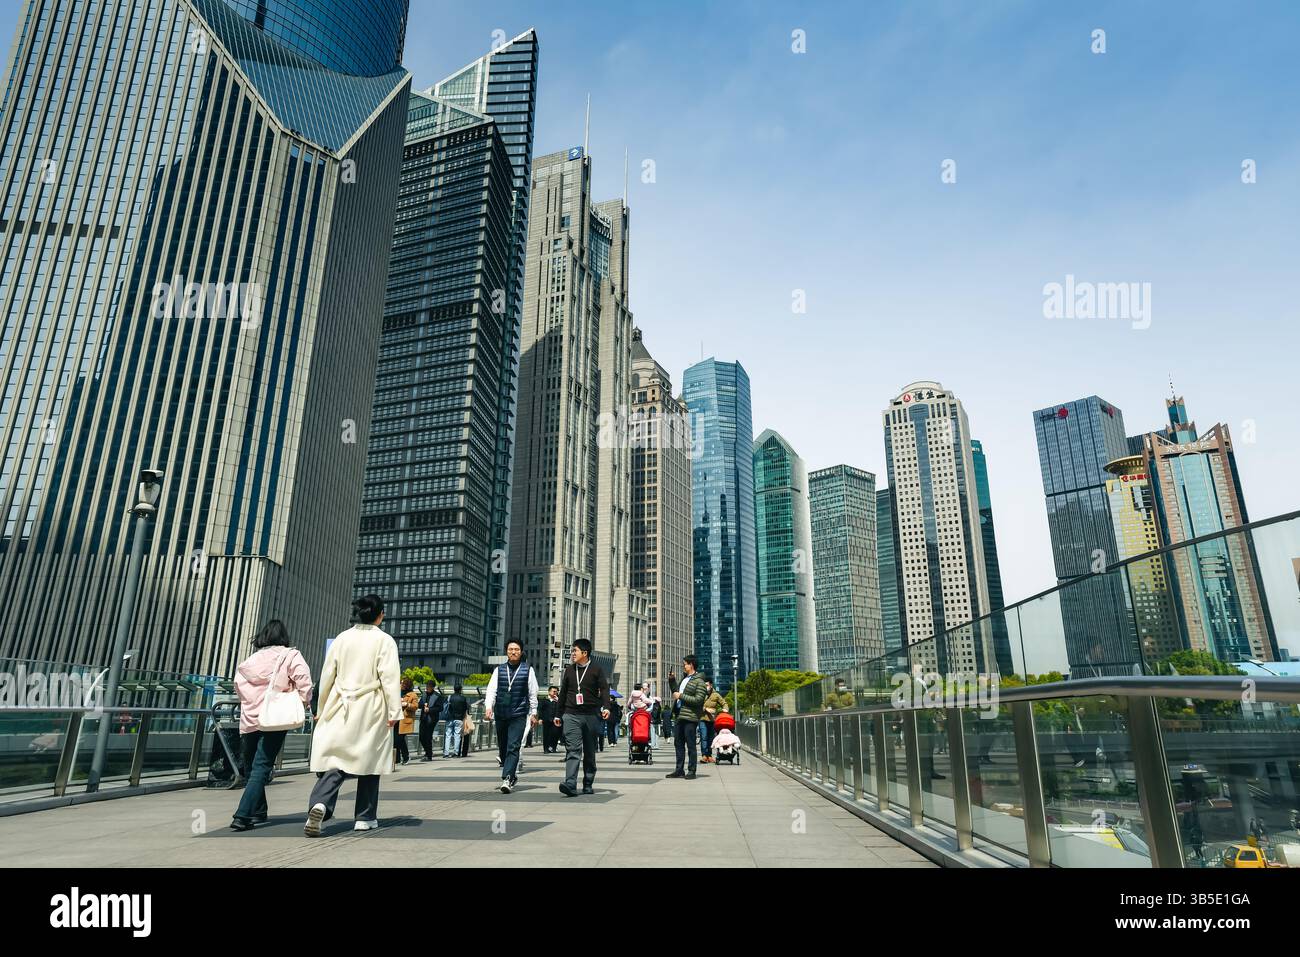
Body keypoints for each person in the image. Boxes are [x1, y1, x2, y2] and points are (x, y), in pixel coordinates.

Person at [304, 595, 401, 836]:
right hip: (371, 704)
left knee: (336, 757)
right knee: (369, 758)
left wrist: (321, 708)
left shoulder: (342, 638)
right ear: (380, 615)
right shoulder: (385, 640)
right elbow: (389, 678)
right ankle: (365, 817)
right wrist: (394, 710)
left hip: (340, 702)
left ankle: (321, 804)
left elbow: (327, 676)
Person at [230, 620, 313, 830]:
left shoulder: (250, 660)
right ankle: (243, 815)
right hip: (275, 717)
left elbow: (238, 687)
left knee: (251, 767)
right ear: (283, 636)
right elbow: (304, 680)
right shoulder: (290, 655)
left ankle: (258, 812)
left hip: (249, 718)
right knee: (262, 766)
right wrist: (301, 701)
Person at [553, 637, 610, 796]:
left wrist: (606, 707)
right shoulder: (570, 670)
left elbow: (604, 690)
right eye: (572, 651)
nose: (572, 654)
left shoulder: (596, 669)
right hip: (571, 715)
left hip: (592, 715)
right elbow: (563, 693)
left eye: (575, 651)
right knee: (573, 750)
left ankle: (588, 782)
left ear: (584, 653)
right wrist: (558, 714)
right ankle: (570, 784)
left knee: (590, 751)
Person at [484, 639, 540, 793]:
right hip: (501, 713)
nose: (513, 652)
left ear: (521, 652)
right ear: (506, 652)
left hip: (519, 714)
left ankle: (508, 778)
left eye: (516, 649)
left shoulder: (528, 670)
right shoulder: (499, 670)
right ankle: (508, 768)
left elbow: (532, 693)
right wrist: (489, 707)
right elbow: (491, 690)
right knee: (503, 747)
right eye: (510, 649)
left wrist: (533, 712)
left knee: (513, 746)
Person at [666, 655, 708, 780]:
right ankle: (679, 770)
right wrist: (672, 681)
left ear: (691, 665)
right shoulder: (685, 679)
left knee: (690, 744)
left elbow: (699, 700)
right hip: (679, 715)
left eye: (685, 664)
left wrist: (681, 696)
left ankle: (692, 770)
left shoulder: (699, 681)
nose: (683, 666)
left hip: (690, 717)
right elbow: (676, 693)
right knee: (678, 743)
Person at [699, 679, 726, 763]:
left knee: (711, 738)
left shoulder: (716, 695)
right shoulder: (701, 695)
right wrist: (706, 709)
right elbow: (697, 704)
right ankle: (704, 755)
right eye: (704, 686)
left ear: (711, 685)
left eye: (706, 685)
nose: (705, 687)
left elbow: (724, 703)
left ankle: (709, 755)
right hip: (702, 719)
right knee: (704, 737)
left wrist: (725, 709)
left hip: (712, 720)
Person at [394, 676, 418, 766]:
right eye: (401, 683)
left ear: (407, 685)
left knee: (399, 739)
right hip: (396, 718)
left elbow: (415, 706)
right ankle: (396, 759)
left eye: (403, 683)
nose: (401, 685)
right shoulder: (397, 692)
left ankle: (406, 757)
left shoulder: (413, 695)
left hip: (405, 719)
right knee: (395, 740)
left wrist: (407, 704)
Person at [418, 681, 443, 761]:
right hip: (423, 718)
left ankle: (429, 755)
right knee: (421, 737)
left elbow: (440, 708)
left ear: (432, 687)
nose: (427, 688)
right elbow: (419, 704)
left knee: (428, 737)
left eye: (429, 687)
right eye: (426, 686)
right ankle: (428, 752)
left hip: (432, 719)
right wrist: (423, 705)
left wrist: (430, 710)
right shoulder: (424, 694)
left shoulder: (437, 696)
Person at [443, 684, 468, 757]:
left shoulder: (450, 697)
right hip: (459, 719)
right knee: (457, 736)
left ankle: (446, 753)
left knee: (448, 735)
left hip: (450, 718)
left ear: (454, 689)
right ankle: (456, 752)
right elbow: (465, 708)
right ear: (460, 689)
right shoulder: (463, 698)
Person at [539, 686, 562, 754]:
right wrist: (540, 718)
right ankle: (546, 749)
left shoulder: (558, 701)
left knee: (555, 734)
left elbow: (561, 708)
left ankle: (553, 747)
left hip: (556, 721)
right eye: (554, 691)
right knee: (546, 735)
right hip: (546, 720)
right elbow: (540, 710)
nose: (555, 693)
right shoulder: (545, 700)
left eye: (556, 691)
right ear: (549, 692)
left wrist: (558, 700)